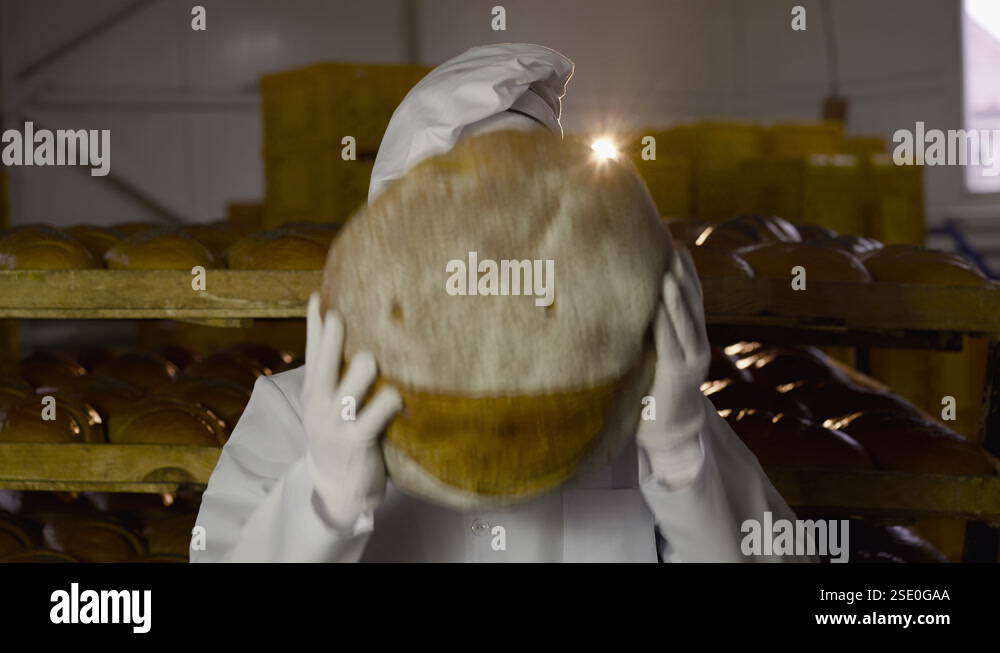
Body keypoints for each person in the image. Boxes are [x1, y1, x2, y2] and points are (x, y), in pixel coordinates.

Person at [192, 44, 807, 563]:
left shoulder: (647, 411)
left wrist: (682, 462)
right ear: (396, 236)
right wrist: (323, 498)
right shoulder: (301, 416)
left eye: (537, 218)